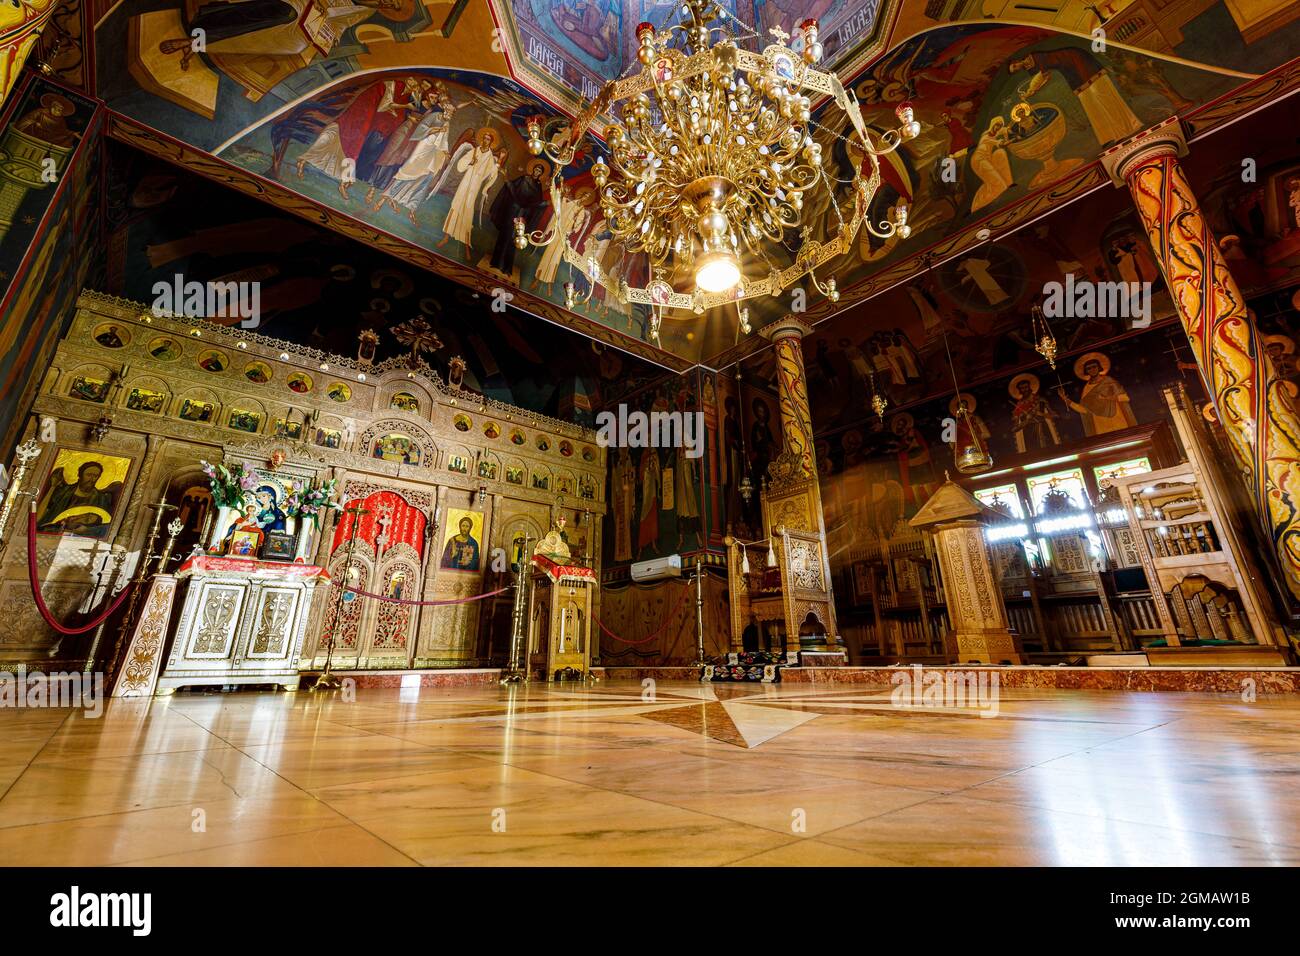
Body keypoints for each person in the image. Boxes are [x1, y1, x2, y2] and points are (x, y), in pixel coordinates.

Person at [36, 461, 115, 537]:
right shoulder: (64, 491)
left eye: (95, 476)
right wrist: (53, 487)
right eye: (88, 475)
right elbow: (40, 517)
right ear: (80, 475)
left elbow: (101, 524)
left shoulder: (101, 498)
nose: (91, 479)